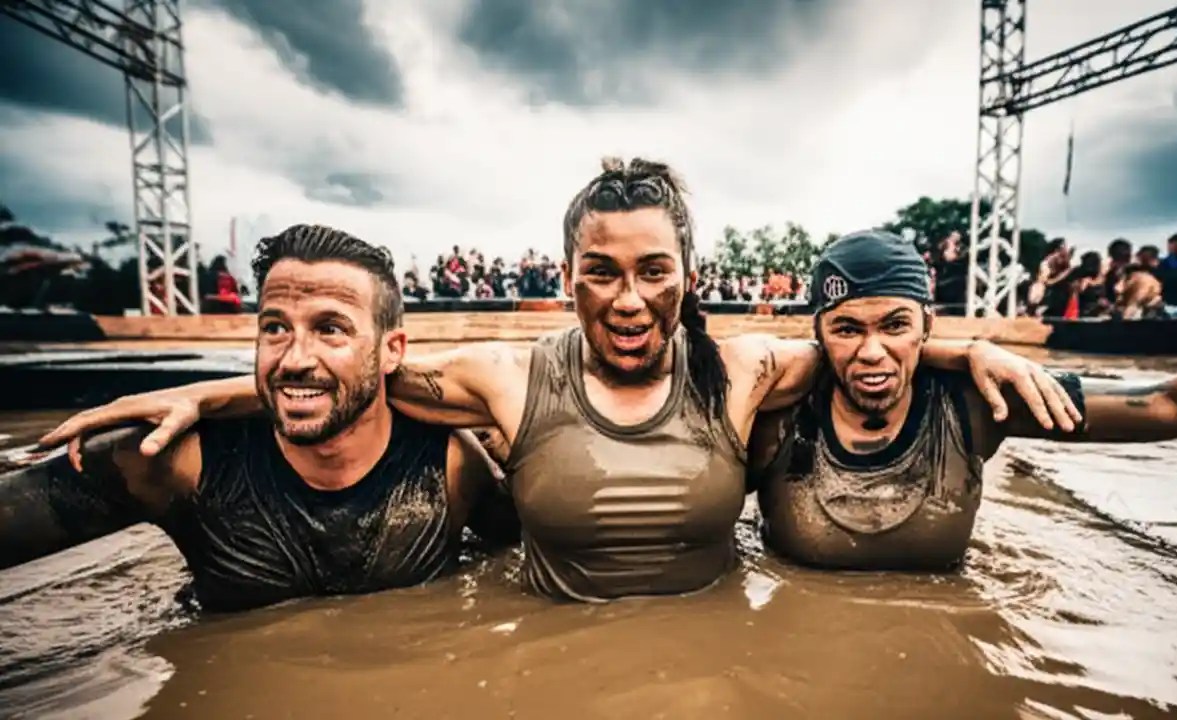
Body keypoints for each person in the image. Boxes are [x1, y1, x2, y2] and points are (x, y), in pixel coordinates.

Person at [35, 158, 1079, 604]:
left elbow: (870, 352)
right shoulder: (503, 373)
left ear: (688, 278)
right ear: (566, 276)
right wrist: (216, 396)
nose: (627, 300)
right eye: (601, 272)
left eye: (652, 272)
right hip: (542, 626)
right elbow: (354, 375)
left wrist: (968, 352)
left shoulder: (752, 364)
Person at [2, 225, 510, 612]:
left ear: (391, 349)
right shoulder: (173, 458)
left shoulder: (448, 466)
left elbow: (520, 557)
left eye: (330, 328)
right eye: (274, 327)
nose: (293, 358)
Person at [747, 231, 1177, 572]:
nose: (871, 352)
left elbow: (1169, 404)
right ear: (816, 331)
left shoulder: (975, 405)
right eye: (846, 329)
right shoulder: (776, 417)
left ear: (927, 325)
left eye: (896, 325)